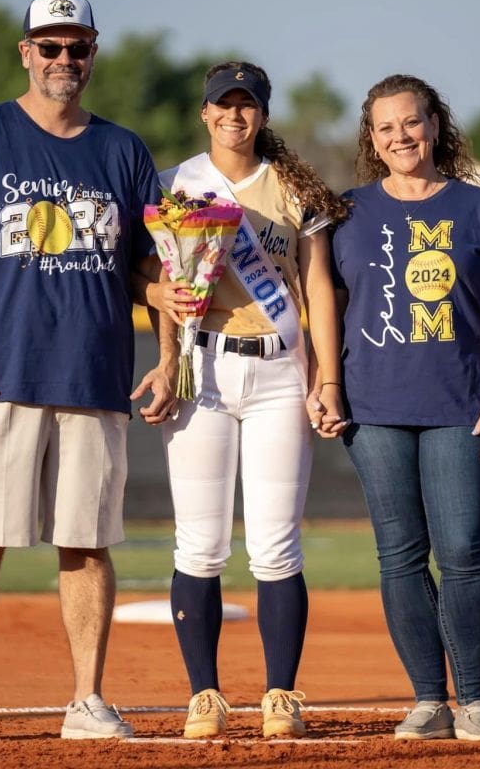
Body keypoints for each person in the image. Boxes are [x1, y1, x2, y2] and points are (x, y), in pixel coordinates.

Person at [0, 0, 169, 744]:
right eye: (49, 47)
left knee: (87, 543)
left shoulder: (123, 150)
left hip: (92, 376)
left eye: (77, 47)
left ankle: (87, 699)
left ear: (93, 53)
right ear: (24, 52)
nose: (64, 60)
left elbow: (146, 268)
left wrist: (168, 332)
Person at [139, 61, 349, 740]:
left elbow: (318, 286)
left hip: (280, 372)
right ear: (205, 113)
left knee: (276, 547)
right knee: (198, 545)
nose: (235, 115)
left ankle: (280, 694)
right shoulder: (176, 184)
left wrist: (325, 377)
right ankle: (205, 693)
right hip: (204, 367)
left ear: (262, 113)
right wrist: (166, 359)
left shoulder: (294, 186)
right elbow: (154, 279)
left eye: (247, 104)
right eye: (223, 104)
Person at [329, 74, 480, 742]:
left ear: (435, 125)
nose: (400, 136)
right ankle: (427, 700)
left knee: (464, 551)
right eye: (386, 127)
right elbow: (321, 306)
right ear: (372, 139)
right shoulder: (345, 211)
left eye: (411, 122)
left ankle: (473, 699)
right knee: (399, 558)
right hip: (373, 407)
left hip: (462, 408)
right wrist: (323, 384)